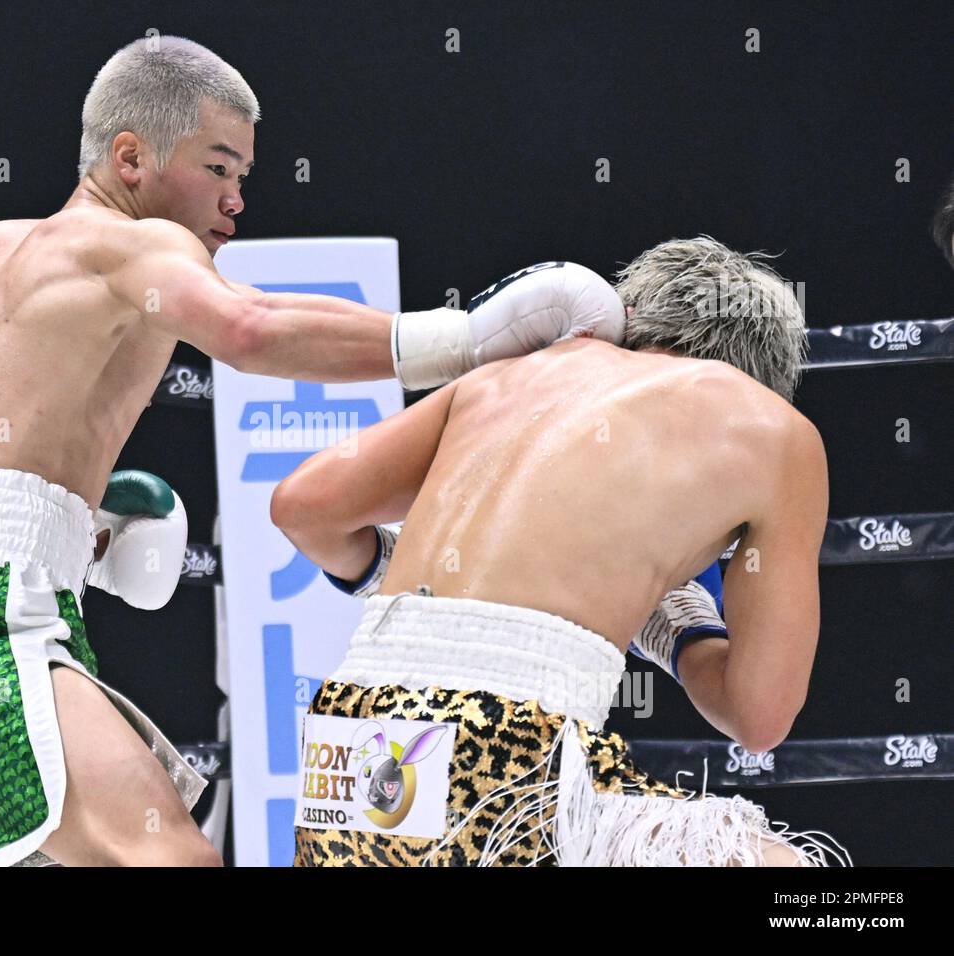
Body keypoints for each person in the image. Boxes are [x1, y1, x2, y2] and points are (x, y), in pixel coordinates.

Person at [0, 34, 624, 866]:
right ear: (129, 157)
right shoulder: (132, 245)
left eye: (244, 176)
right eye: (217, 168)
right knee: (172, 856)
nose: (237, 200)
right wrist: (469, 339)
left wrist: (82, 532)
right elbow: (250, 329)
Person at [275, 237, 850, 866]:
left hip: (348, 755)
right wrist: (678, 628)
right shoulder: (774, 431)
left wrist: (399, 565)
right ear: (767, 374)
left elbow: (305, 508)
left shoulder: (509, 377)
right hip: (503, 761)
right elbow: (760, 717)